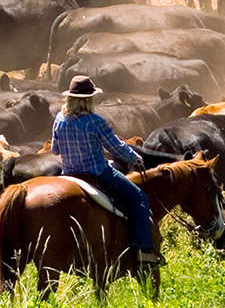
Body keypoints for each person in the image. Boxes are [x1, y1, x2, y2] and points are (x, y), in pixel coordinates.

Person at [51, 75, 161, 266]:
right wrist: (135, 158)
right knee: (140, 198)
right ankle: (144, 249)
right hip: (97, 173)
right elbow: (116, 148)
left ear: (70, 98)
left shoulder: (60, 119)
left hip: (68, 175)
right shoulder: (95, 121)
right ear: (89, 100)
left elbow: (55, 149)